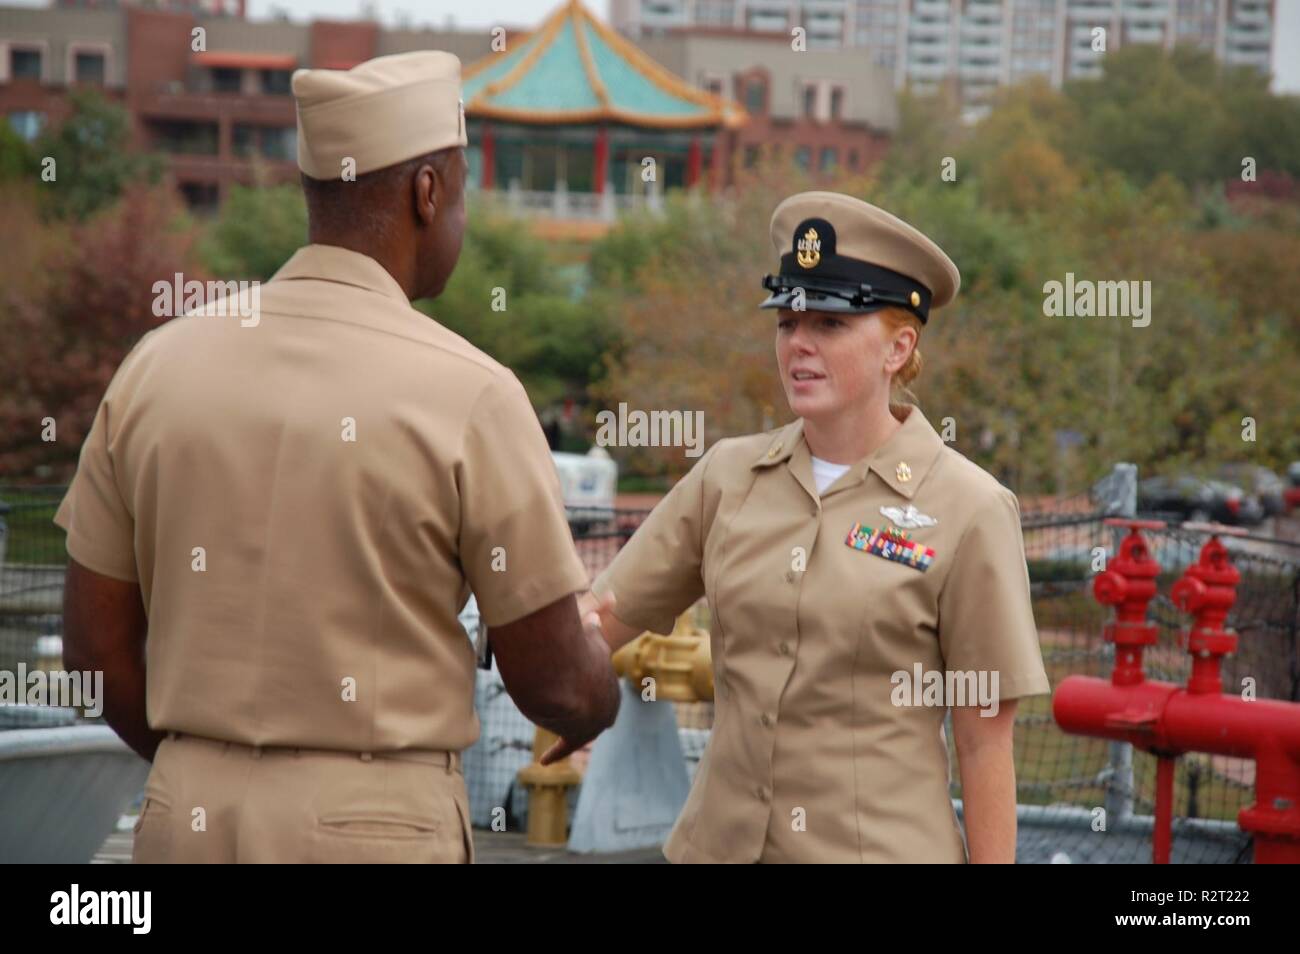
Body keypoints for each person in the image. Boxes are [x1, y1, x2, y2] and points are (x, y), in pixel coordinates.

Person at [54, 50, 619, 864]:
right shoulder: (472, 393)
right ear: (428, 194)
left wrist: (212, 763)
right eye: (460, 190)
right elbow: (557, 680)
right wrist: (597, 699)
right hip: (376, 826)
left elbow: (93, 651)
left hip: (185, 817)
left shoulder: (156, 364)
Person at [582, 191, 1050, 863]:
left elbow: (984, 743)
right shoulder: (727, 478)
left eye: (830, 324)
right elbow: (599, 620)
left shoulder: (970, 510)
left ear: (899, 347)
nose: (800, 342)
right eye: (788, 320)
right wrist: (562, 691)